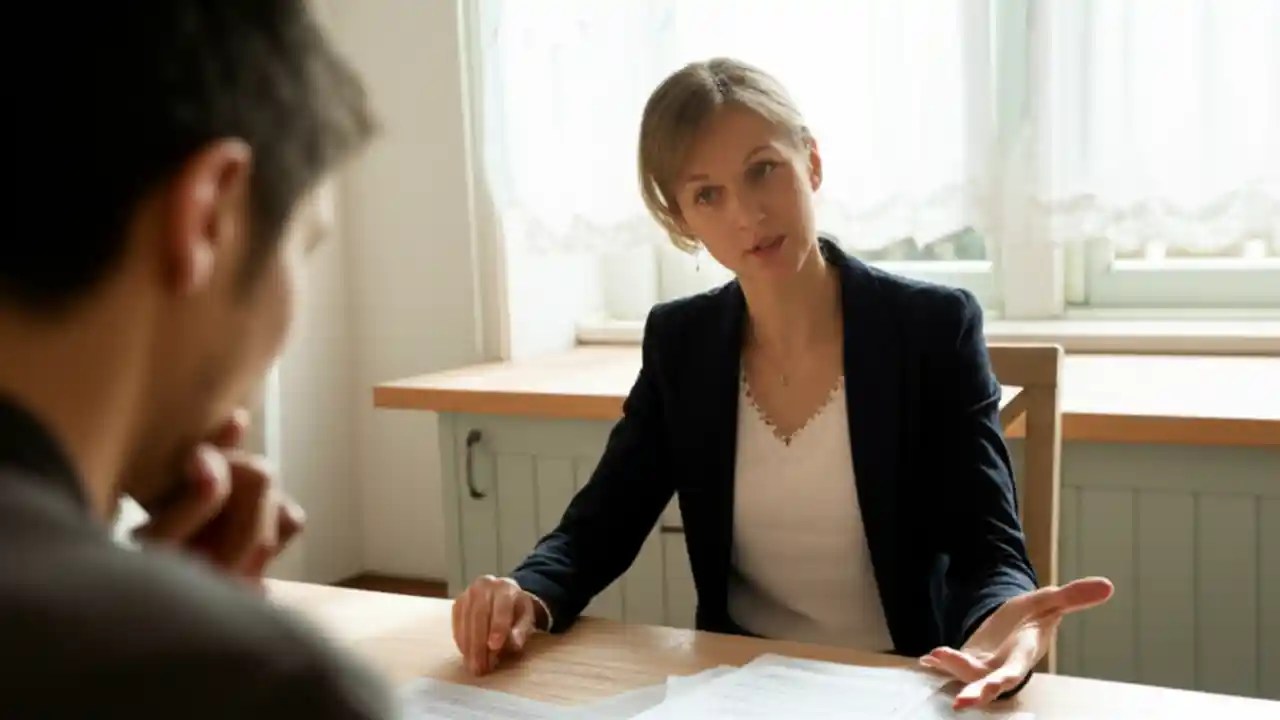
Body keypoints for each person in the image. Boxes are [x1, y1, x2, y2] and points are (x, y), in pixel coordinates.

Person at [451, 57, 1114, 710]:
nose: (746, 214)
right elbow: (600, 526)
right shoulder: (682, 343)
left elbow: (987, 544)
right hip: (736, 686)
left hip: (901, 686)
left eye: (762, 170)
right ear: (682, 221)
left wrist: (1002, 619)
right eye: (707, 194)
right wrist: (526, 593)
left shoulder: (931, 329)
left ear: (812, 163)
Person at [0, 1, 391, 717]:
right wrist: (190, 643)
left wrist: (145, 594)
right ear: (208, 216)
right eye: (303, 247)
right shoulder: (251, 683)